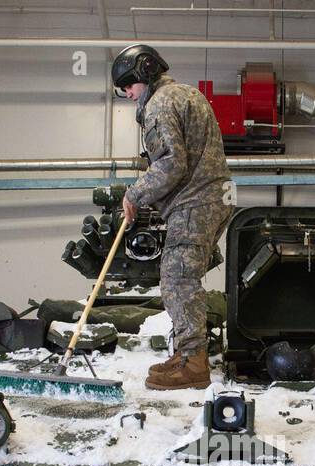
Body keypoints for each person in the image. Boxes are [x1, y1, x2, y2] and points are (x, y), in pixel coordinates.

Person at [112, 44, 233, 392]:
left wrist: (134, 193)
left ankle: (192, 363)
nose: (129, 95)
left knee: (177, 278)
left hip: (196, 201)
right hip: (213, 197)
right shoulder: (187, 94)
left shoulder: (159, 104)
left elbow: (170, 163)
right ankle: (186, 354)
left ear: (143, 75)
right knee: (183, 276)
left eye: (129, 87)